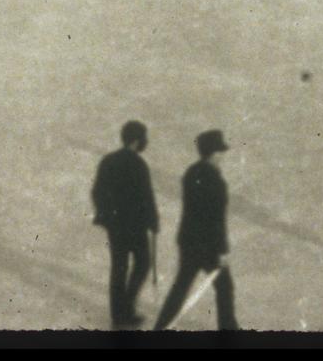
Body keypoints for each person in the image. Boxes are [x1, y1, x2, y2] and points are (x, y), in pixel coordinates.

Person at [152, 130, 236, 330]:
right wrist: (222, 251)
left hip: (188, 240)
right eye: (220, 151)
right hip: (208, 247)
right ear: (213, 153)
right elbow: (216, 220)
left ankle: (160, 328)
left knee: (181, 287)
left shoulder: (191, 173)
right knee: (224, 287)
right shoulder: (217, 182)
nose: (223, 156)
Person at [91, 121, 160, 330]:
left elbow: (97, 191)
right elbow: (146, 197)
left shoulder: (108, 161)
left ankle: (118, 314)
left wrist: (106, 215)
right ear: (136, 140)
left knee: (119, 267)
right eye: (143, 138)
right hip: (135, 226)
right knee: (143, 263)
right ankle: (127, 307)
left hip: (115, 225)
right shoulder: (139, 164)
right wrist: (153, 221)